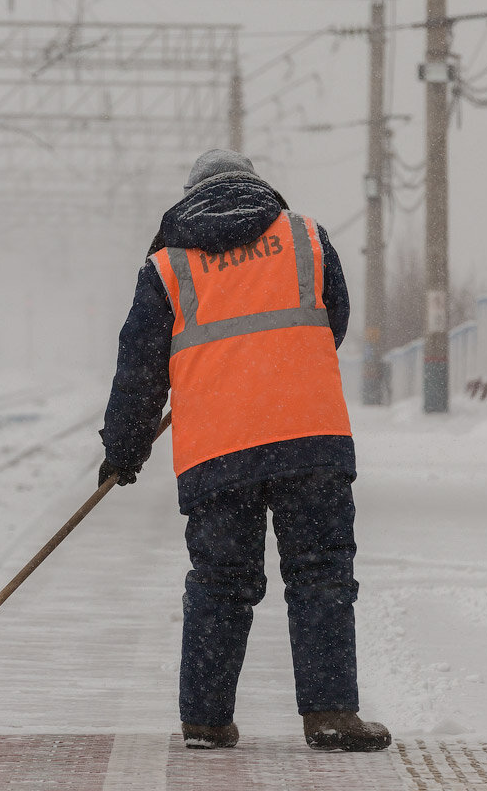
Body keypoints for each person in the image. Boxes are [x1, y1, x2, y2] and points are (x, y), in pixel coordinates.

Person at [98, 149, 391, 752]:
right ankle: (331, 715)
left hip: (218, 449)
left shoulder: (168, 264)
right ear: (258, 188)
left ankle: (206, 720)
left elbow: (140, 367)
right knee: (320, 575)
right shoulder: (307, 237)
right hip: (308, 438)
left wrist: (124, 448)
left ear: (190, 197)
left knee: (221, 580)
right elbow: (330, 323)